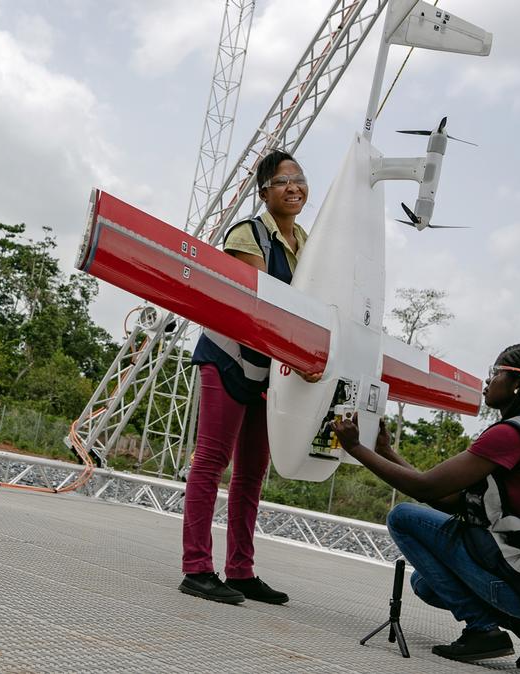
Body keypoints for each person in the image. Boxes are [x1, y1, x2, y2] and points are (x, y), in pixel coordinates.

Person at [331, 343, 520, 672]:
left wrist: (354, 448)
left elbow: (425, 488)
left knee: (402, 517)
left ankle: (482, 630)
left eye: (495, 373)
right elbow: (448, 499)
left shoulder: (510, 434)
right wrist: (386, 452)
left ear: (518, 384)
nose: (487, 381)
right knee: (424, 584)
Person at [179, 149, 316, 605]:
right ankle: (197, 568)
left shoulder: (307, 244)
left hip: (271, 370)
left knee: (253, 471)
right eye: (283, 181)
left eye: (299, 179)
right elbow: (260, 301)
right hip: (230, 357)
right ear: (264, 192)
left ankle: (240, 570)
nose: (294, 187)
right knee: (212, 460)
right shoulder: (249, 232)